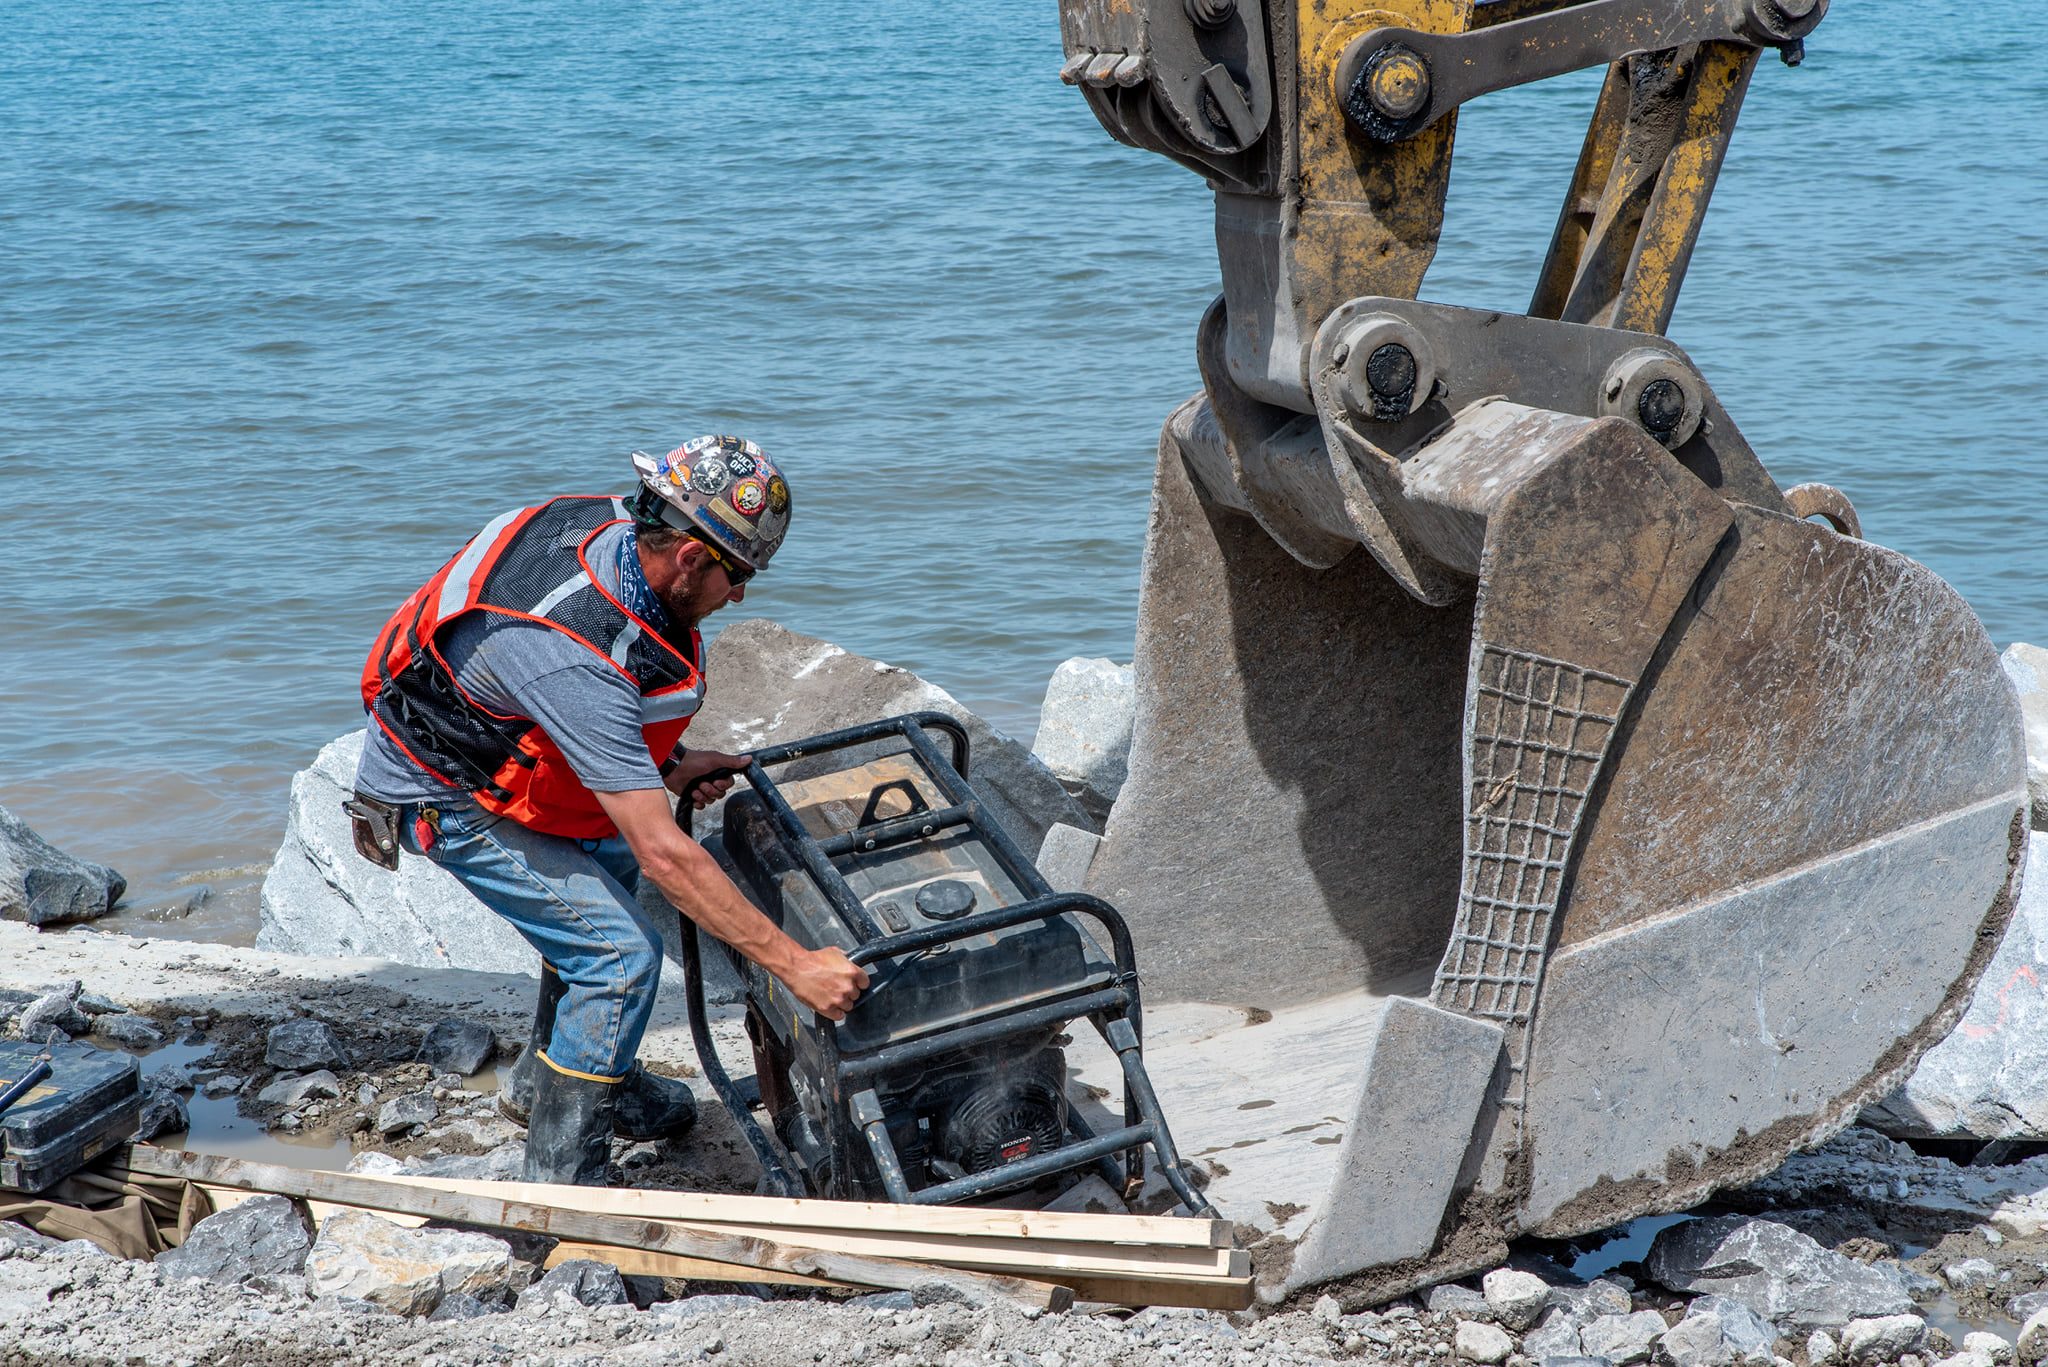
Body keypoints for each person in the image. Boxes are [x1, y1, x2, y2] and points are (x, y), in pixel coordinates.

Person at [345, 435, 869, 1185]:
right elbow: (664, 852)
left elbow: (554, 713)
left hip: (495, 745)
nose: (740, 596)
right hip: (444, 793)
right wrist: (796, 966)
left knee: (610, 861)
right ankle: (564, 1183)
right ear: (690, 557)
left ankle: (547, 1080)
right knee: (619, 960)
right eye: (739, 575)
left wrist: (670, 765)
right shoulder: (572, 649)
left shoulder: (604, 526)